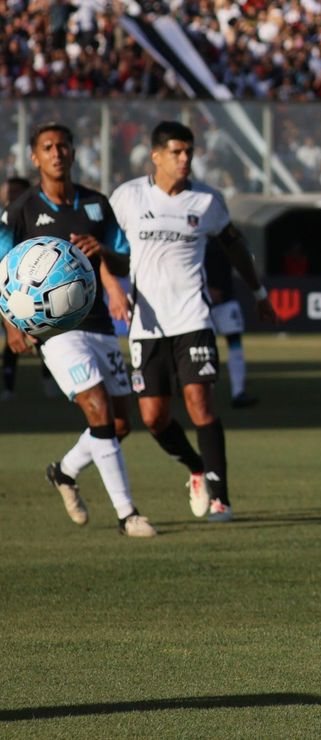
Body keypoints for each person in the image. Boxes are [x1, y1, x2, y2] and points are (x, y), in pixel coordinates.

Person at [109, 121, 277, 523]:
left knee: (199, 402)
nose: (185, 159)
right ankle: (197, 467)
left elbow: (236, 249)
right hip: (146, 325)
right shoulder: (127, 197)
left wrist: (258, 293)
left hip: (193, 318)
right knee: (152, 417)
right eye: (176, 152)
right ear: (156, 155)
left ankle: (220, 497)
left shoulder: (207, 201)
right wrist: (112, 287)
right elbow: (103, 249)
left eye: (189, 152)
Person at [0, 123, 156, 537]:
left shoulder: (96, 205)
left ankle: (64, 473)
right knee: (98, 409)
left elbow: (125, 262)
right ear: (34, 157)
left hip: (100, 323)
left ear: (72, 152)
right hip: (55, 331)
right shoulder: (21, 210)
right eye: (47, 147)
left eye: (63, 146)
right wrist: (10, 324)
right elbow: (3, 272)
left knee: (121, 424)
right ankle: (128, 515)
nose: (56, 153)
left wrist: (102, 250)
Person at [203, 244, 257, 408]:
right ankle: (203, 394)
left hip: (226, 301)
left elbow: (244, 258)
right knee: (203, 349)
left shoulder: (225, 235)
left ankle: (238, 392)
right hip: (201, 303)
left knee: (235, 345)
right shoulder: (198, 234)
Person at [1, 175, 33, 401]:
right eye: (8, 191)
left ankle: (48, 379)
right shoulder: (4, 221)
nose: (10, 196)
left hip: (26, 289)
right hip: (5, 288)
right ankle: (8, 387)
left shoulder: (32, 218)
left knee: (42, 336)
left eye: (16, 192)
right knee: (11, 339)